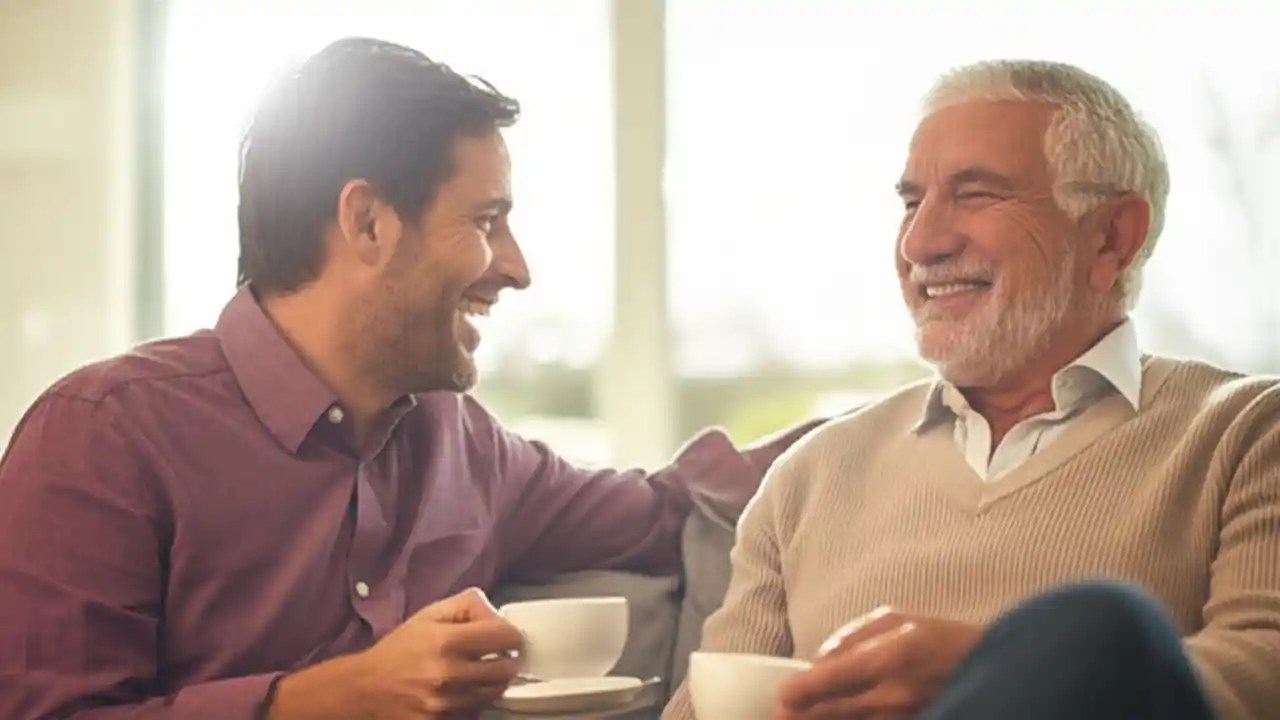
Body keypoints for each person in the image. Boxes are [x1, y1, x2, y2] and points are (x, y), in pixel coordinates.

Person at [0, 38, 819, 720]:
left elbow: (668, 510)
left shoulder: (467, 448)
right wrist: (332, 696)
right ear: (367, 222)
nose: (517, 268)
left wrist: (889, 428)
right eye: (486, 221)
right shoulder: (101, 436)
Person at [662, 59, 1280, 720]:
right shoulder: (807, 476)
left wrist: (1001, 678)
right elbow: (709, 705)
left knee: (1107, 627)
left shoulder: (1247, 434)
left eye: (975, 194)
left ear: (1110, 237)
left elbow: (1260, 677)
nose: (920, 242)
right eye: (911, 202)